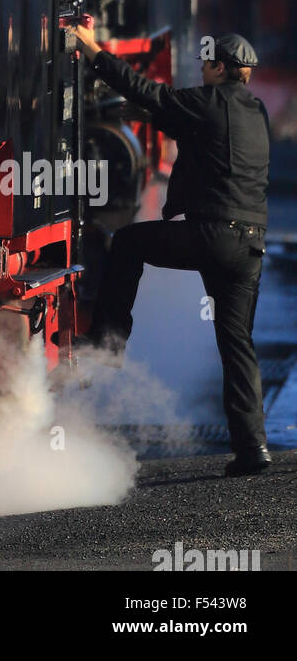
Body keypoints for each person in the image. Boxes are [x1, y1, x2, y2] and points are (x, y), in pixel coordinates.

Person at [71, 24, 272, 477]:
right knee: (238, 345)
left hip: (212, 235)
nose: (200, 68)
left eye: (206, 63)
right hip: (251, 245)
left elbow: (154, 95)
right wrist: (143, 113)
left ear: (220, 68)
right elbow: (195, 130)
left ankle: (107, 342)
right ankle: (252, 448)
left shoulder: (207, 101)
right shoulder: (255, 112)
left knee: (127, 243)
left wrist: (94, 53)